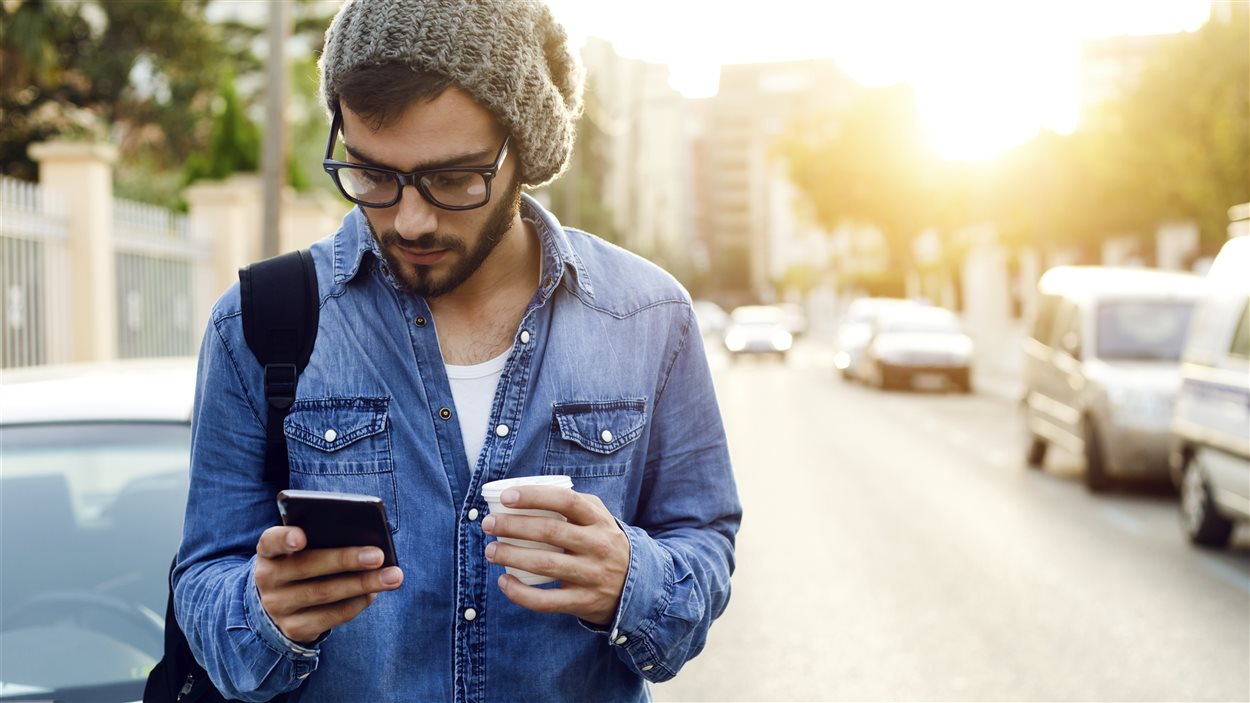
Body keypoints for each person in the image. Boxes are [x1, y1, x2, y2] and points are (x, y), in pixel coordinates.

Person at [173, 1, 742, 700]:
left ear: (522, 149)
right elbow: (203, 585)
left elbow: (704, 543)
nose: (410, 218)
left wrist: (632, 581)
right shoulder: (255, 324)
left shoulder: (649, 317)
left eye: (452, 179)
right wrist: (261, 615)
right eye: (373, 174)